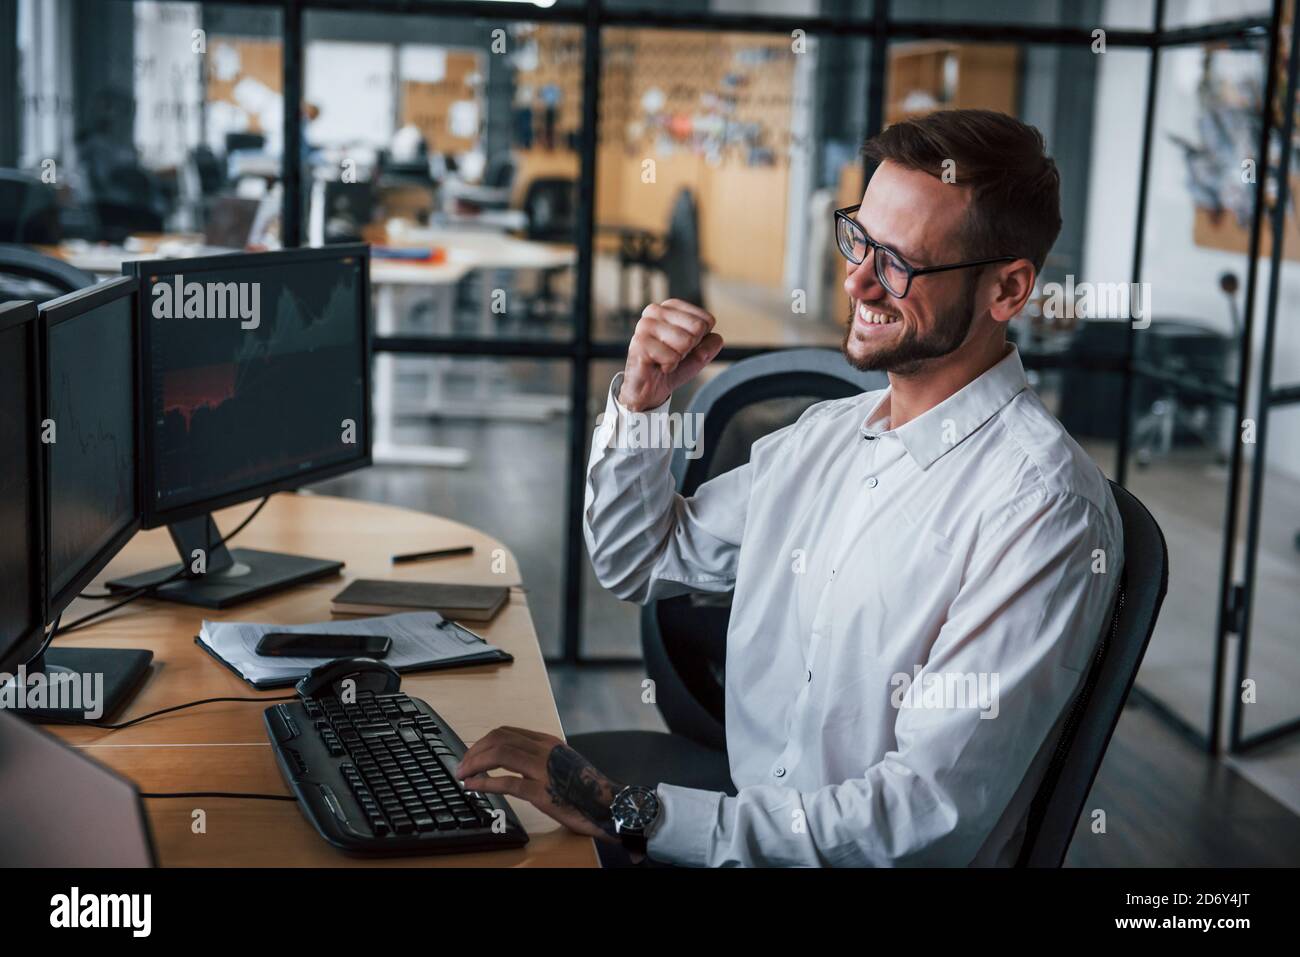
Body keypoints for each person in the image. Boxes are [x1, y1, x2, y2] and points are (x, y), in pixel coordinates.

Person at [455, 109, 1124, 867]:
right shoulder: (826, 437)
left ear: (1007, 290)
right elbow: (637, 560)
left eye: (899, 262)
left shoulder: (1040, 508)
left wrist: (630, 812)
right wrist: (641, 406)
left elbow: (920, 817)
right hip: (747, 830)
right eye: (859, 239)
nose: (856, 279)